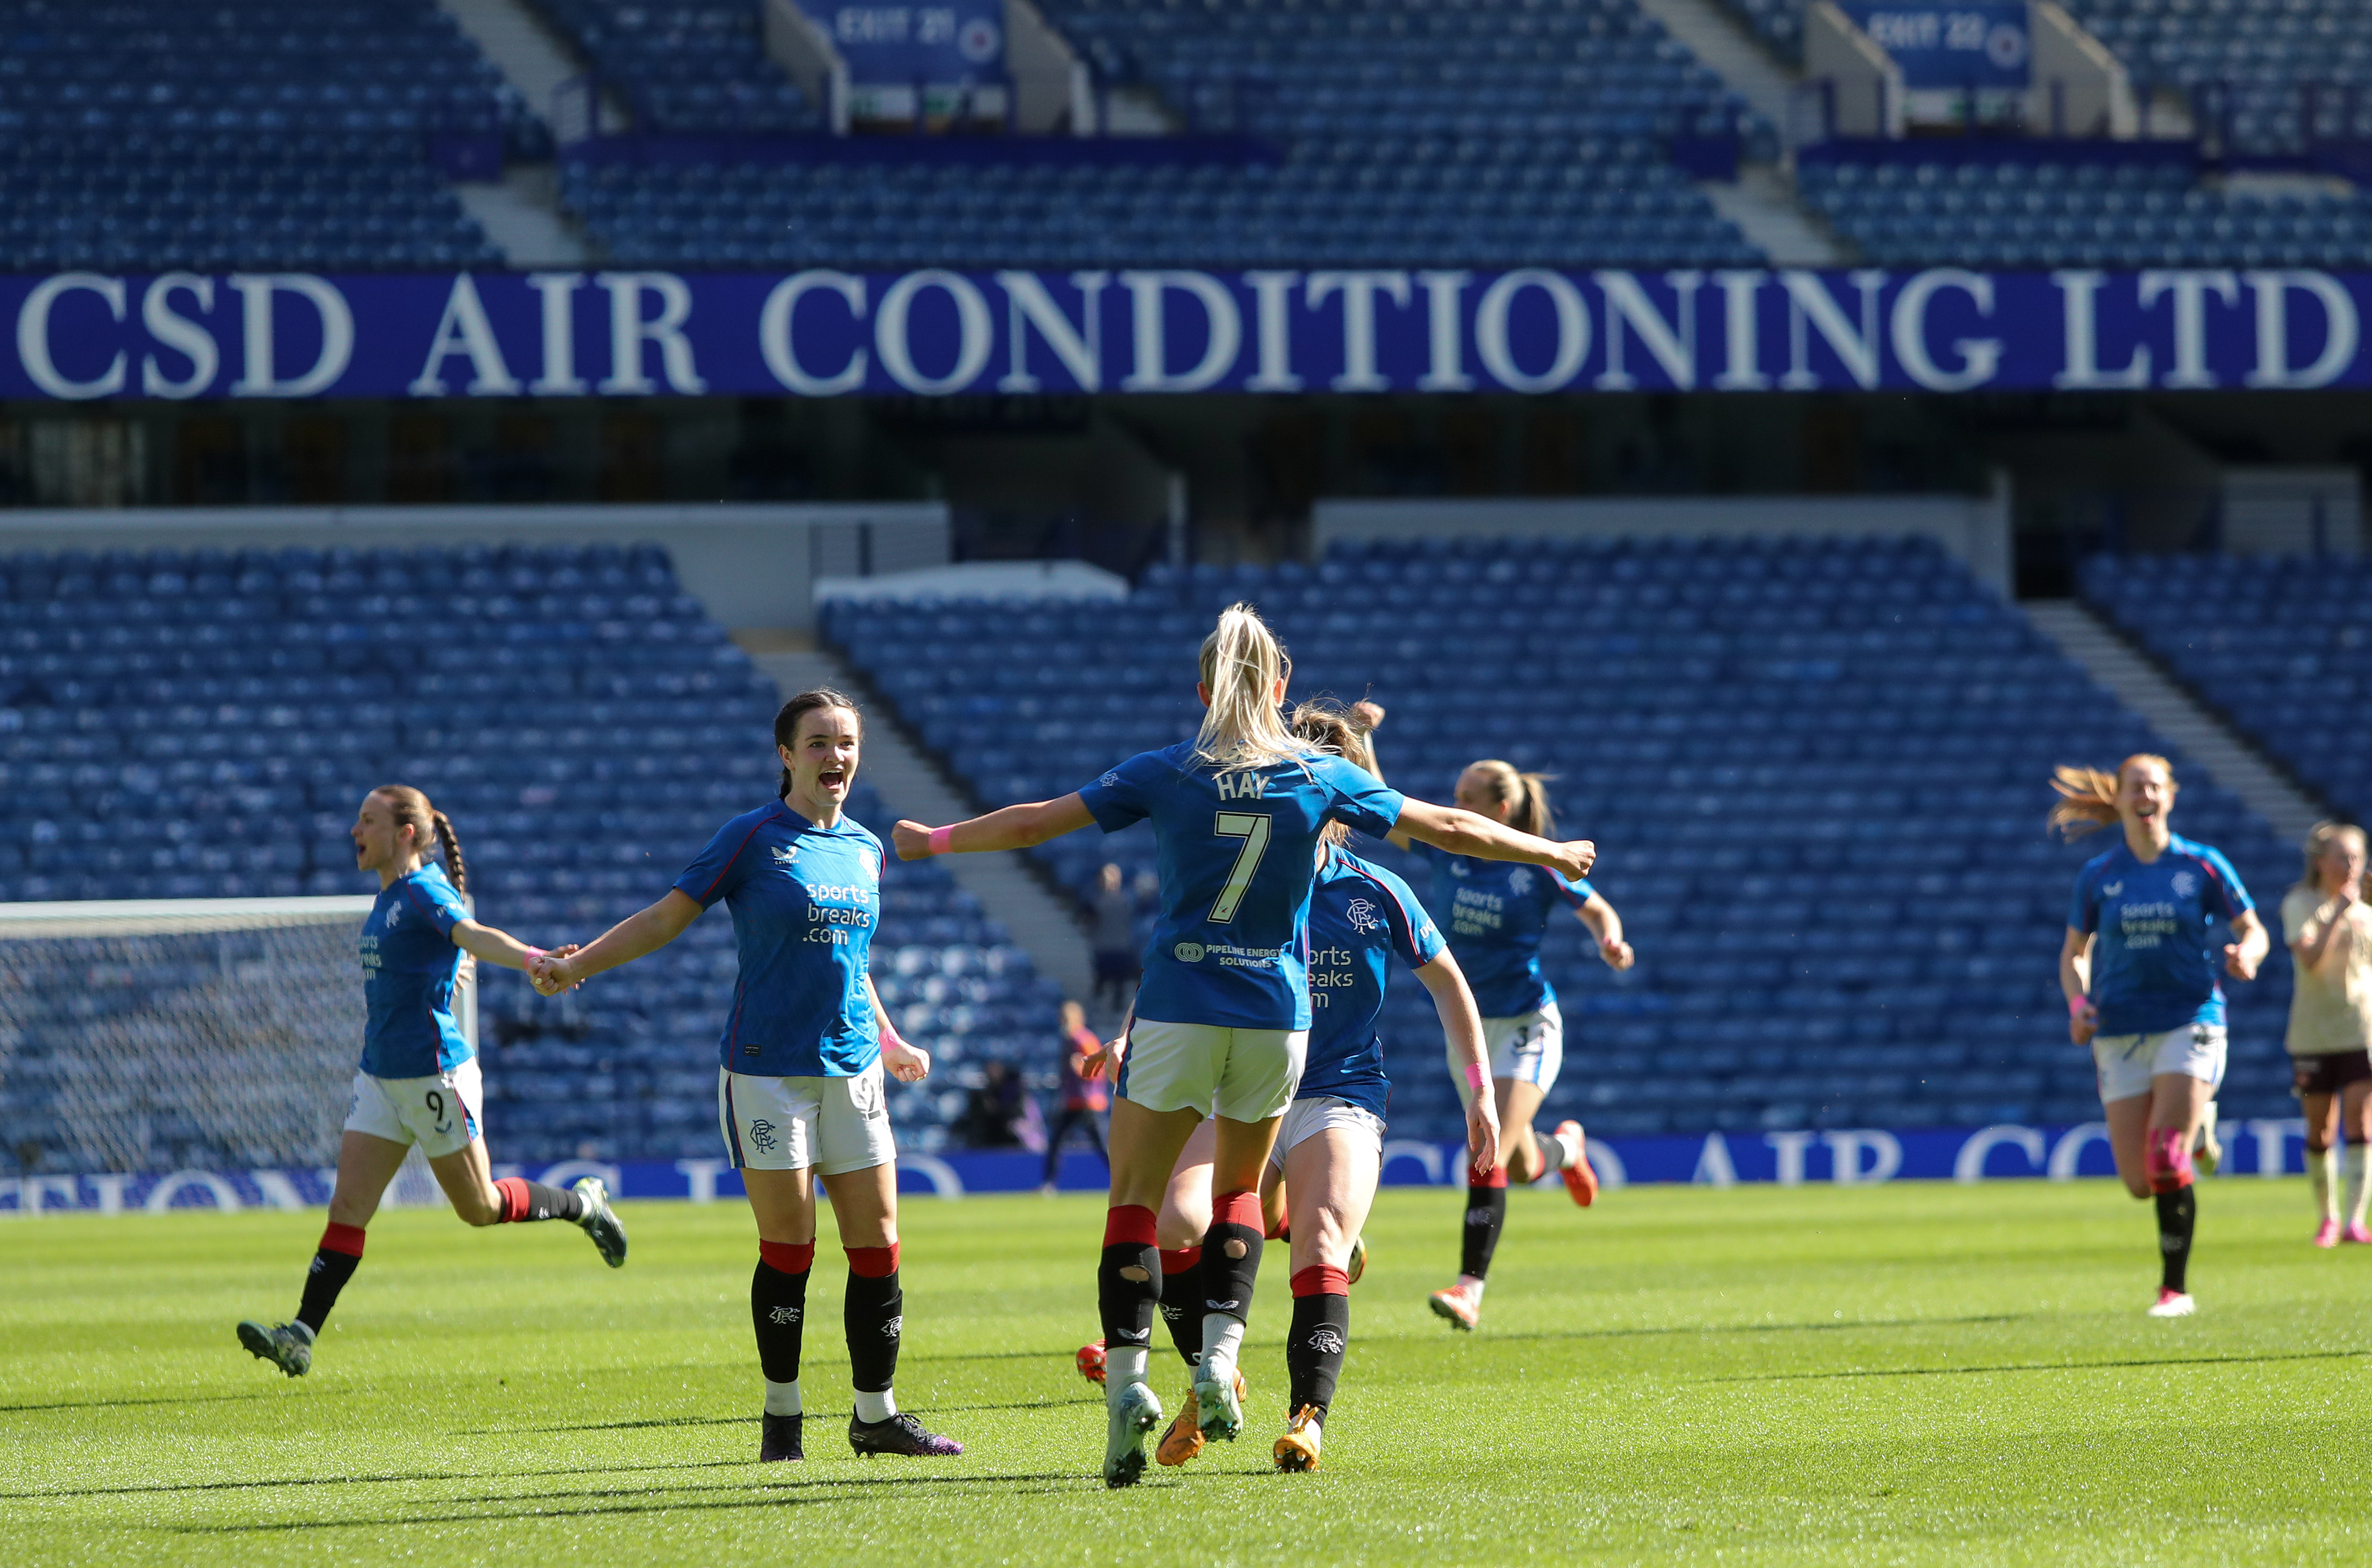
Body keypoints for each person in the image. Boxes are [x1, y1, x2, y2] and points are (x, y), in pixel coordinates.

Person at [892, 602, 1595, 1487]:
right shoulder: (1315, 773)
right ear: (1282, 685)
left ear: (1201, 688)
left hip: (1183, 1008)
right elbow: (1448, 828)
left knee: (1137, 1204)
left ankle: (1137, 1382)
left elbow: (1035, 822)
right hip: (1272, 1018)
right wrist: (1549, 851)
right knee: (1236, 1199)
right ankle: (1220, 1361)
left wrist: (936, 839)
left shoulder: (1167, 769)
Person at [528, 688, 961, 1462]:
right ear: (787, 755)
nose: (836, 756)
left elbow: (852, 964)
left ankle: (876, 1415)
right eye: (819, 743)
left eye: (847, 743)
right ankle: (782, 1422)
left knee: (879, 1244)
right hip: (767, 1073)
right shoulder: (753, 837)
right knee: (791, 1246)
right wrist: (580, 963)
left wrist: (891, 1037)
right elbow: (666, 916)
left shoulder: (866, 848)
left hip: (854, 1067)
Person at [235, 786, 627, 1378]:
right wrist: (447, 974)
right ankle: (300, 1336)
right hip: (380, 1076)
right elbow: (434, 959)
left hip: (433, 1077)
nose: (354, 830)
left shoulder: (422, 889)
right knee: (348, 1207)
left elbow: (472, 934)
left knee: (480, 1207)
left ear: (405, 834)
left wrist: (533, 959)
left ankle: (584, 1205)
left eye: (367, 820)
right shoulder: (390, 896)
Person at [1371, 735, 1634, 1333]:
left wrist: (1609, 939)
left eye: (1467, 798)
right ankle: (1566, 1150)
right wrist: (1362, 738)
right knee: (1516, 1163)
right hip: (1467, 1028)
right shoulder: (1445, 848)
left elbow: (1596, 906)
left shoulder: (1536, 863)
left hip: (1525, 1023)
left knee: (1486, 1148)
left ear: (1502, 809)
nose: (1454, 806)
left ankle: (1469, 1289)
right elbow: (1383, 804)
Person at [2055, 753, 2267, 1318]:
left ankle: (2174, 1291)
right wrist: (2078, 1003)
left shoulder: (2202, 864)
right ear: (2120, 798)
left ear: (2170, 795)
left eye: (2154, 786)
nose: (2145, 796)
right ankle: (2200, 1127)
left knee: (2165, 1155)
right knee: (2140, 1183)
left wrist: (2247, 954)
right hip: (2120, 1029)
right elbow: (2074, 953)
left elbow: (2253, 928)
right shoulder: (2099, 874)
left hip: (2189, 1018)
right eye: (2135, 787)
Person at [2282, 822, 2372, 1245]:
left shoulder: (2367, 910)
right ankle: (2328, 1216)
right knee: (2320, 1128)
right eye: (2342, 856)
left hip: (2360, 1028)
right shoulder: (2301, 903)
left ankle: (2355, 1219)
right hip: (2313, 1032)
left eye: (2356, 856)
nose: (2350, 865)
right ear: (2320, 861)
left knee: (2360, 1117)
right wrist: (2339, 911)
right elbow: (2311, 959)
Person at [1041, 1000, 1110, 1192]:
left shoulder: (1084, 1040)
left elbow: (1098, 1069)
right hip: (1074, 1102)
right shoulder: (1071, 1040)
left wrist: (1080, 1069)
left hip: (1088, 1103)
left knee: (1102, 1145)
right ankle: (1049, 1184)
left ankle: (1123, 1182)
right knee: (1056, 1142)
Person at [1090, 863, 1142, 1021]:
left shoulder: (1125, 900)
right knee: (1102, 981)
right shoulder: (1096, 901)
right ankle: (1098, 1011)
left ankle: (1116, 1012)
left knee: (1119, 985)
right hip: (1105, 947)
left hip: (1119, 947)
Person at [960, 1059, 1026, 1149]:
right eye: (991, 1070)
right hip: (986, 1138)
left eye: (997, 1070)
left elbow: (1016, 1112)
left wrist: (998, 1108)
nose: (994, 1073)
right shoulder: (980, 1093)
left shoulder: (1012, 1088)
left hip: (1009, 1137)